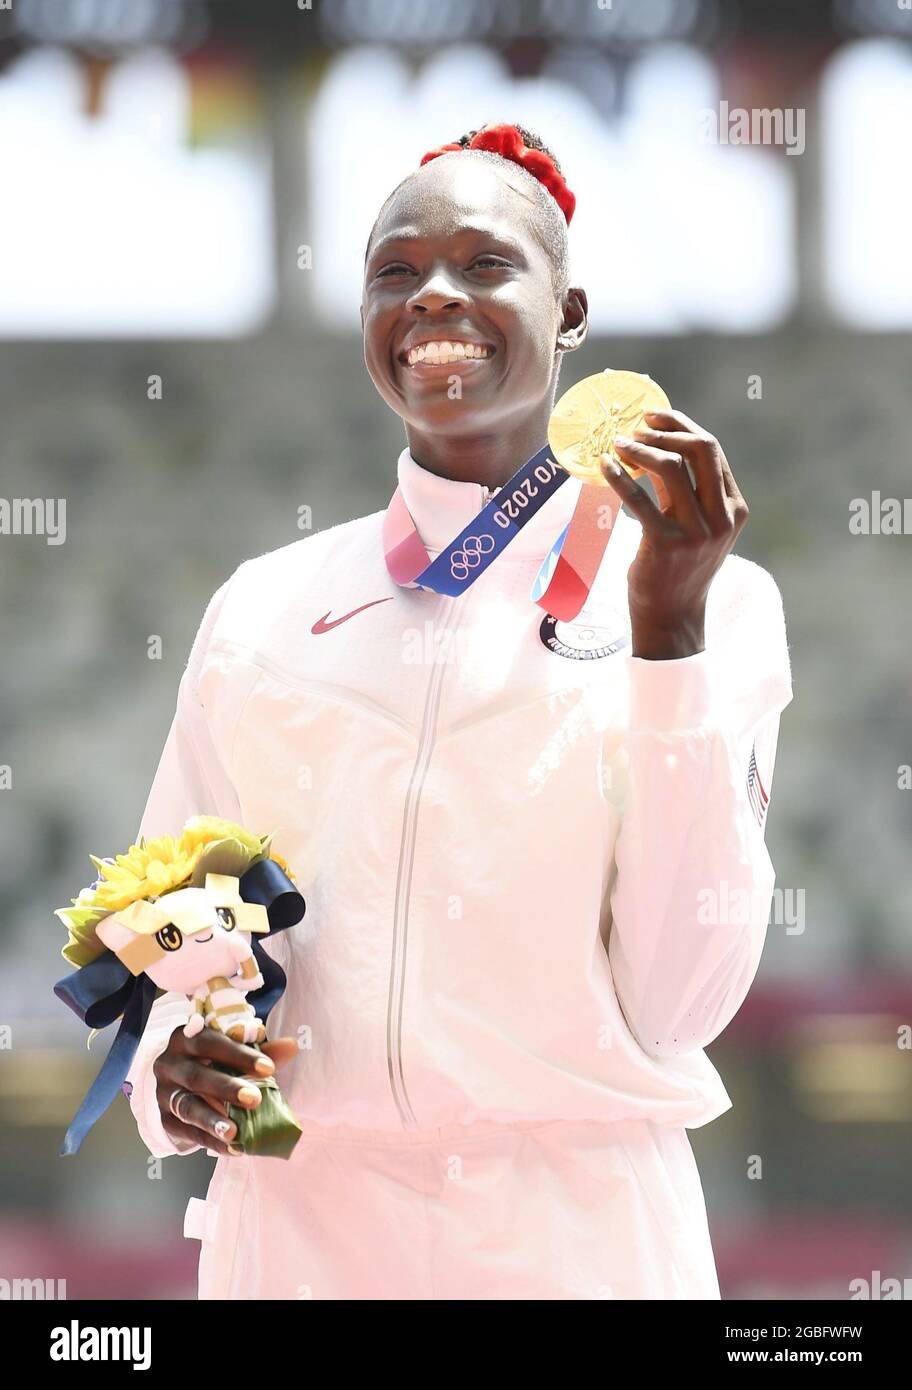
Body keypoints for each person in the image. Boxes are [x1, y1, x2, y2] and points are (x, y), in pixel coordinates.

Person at [124, 123, 793, 1300]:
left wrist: (670, 636)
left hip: (577, 1236)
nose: (435, 293)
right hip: (300, 1231)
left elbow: (684, 997)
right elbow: (175, 926)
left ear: (569, 311)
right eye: (397, 269)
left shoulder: (707, 594)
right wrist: (166, 1070)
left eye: (486, 264)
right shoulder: (266, 608)